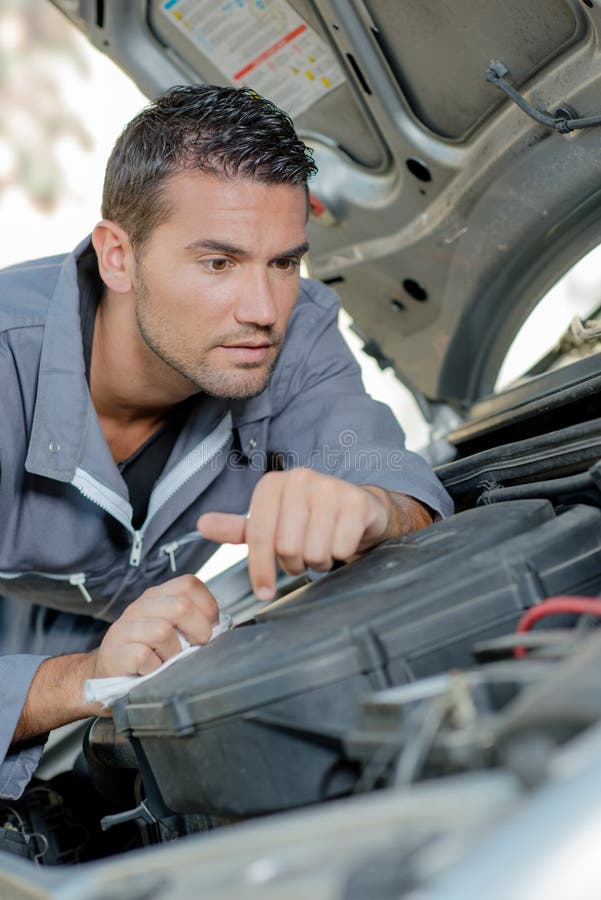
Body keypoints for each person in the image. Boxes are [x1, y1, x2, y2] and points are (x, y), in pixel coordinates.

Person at [0, 84, 452, 799]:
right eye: (219, 263)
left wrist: (370, 509)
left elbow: (398, 487)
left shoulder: (296, 331)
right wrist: (85, 678)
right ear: (117, 257)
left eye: (283, 263)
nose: (264, 310)